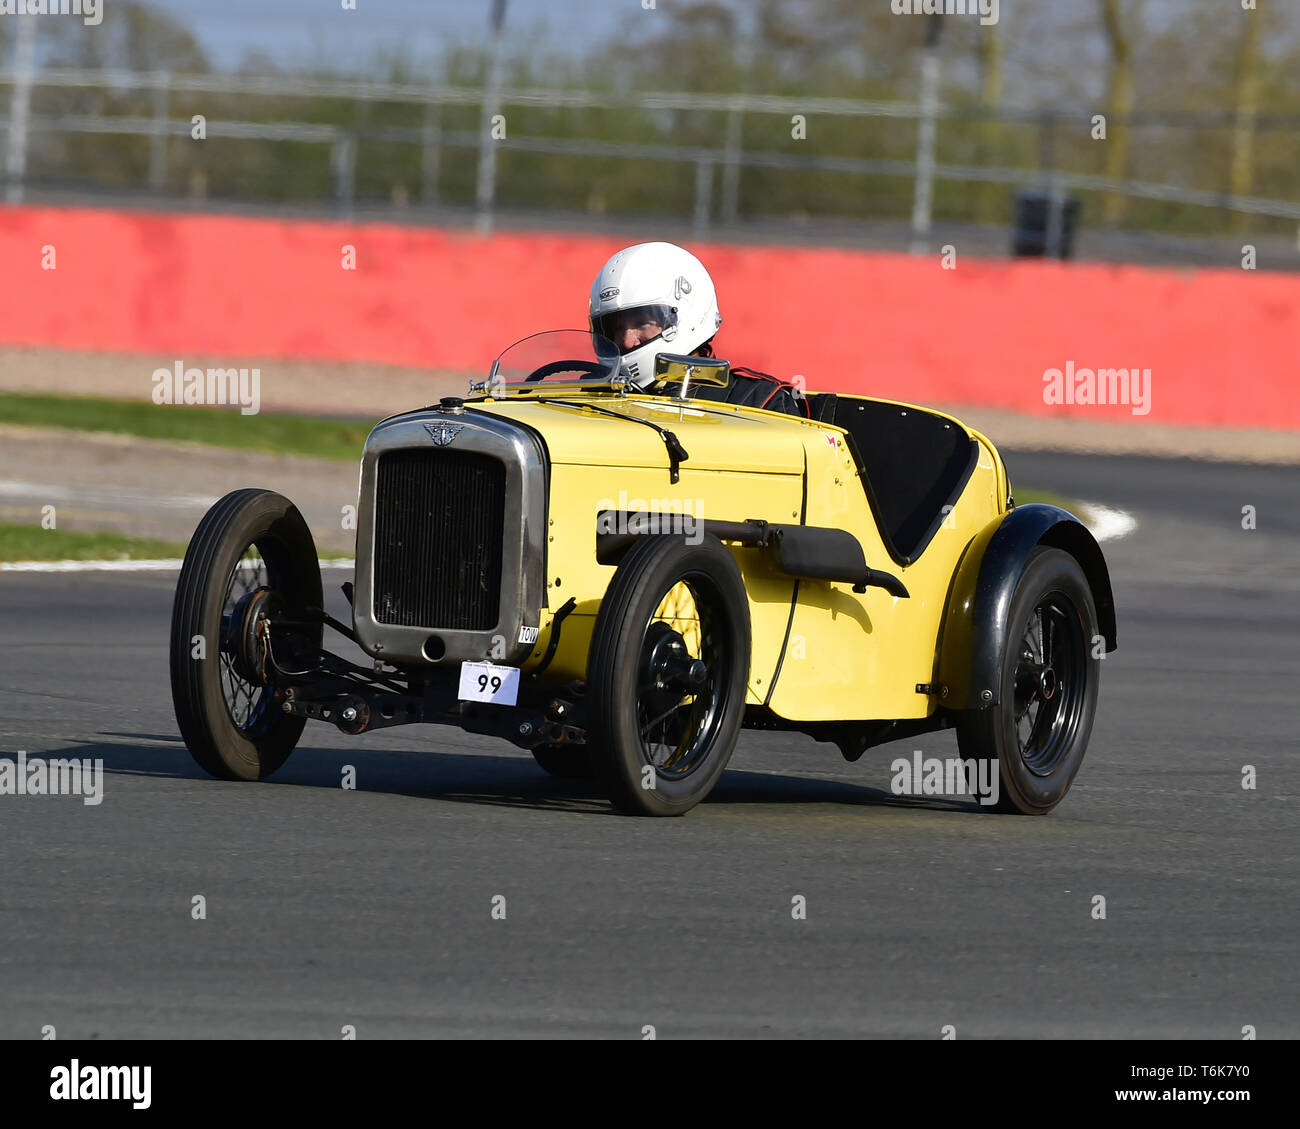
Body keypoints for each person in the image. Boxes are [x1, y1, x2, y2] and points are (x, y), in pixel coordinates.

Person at [588, 241, 808, 418]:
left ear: (686, 313)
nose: (626, 340)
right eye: (613, 328)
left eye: (641, 323)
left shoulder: (757, 402)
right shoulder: (590, 399)